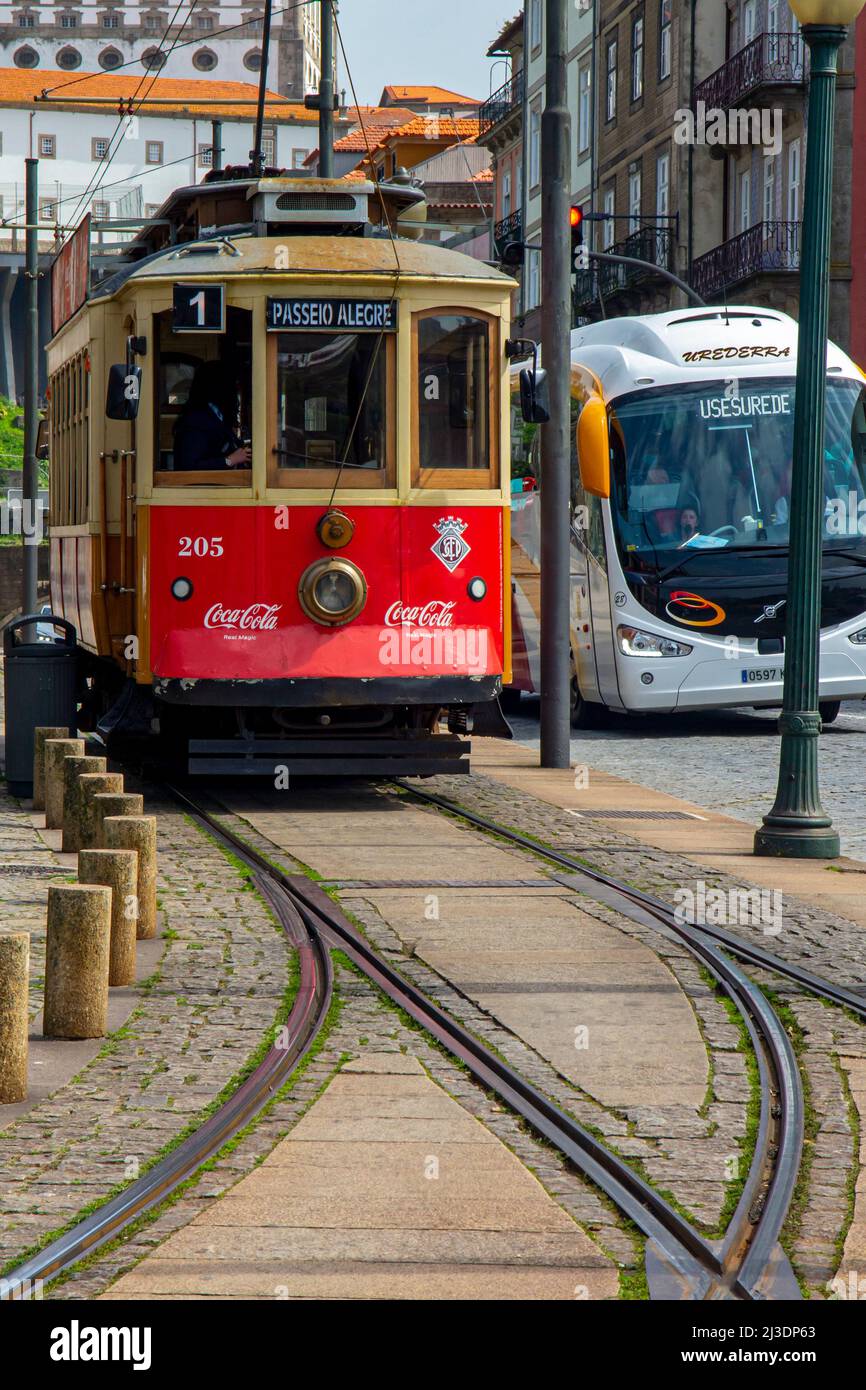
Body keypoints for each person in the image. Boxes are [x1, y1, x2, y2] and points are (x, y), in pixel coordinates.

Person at [173, 361, 251, 471]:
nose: (235, 389)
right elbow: (189, 466)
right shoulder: (196, 420)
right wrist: (230, 460)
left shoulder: (217, 416)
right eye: (231, 383)